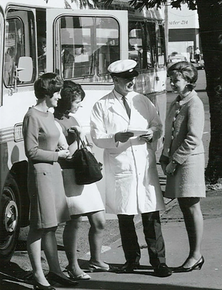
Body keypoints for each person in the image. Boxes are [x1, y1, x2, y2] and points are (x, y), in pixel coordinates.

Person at [89, 58, 172, 277]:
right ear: (115, 80)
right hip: (122, 164)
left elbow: (157, 124)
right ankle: (131, 260)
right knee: (125, 216)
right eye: (126, 79)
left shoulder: (142, 101)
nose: (131, 83)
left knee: (151, 214)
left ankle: (159, 262)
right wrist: (116, 136)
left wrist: (152, 134)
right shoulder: (102, 105)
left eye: (133, 78)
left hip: (143, 162)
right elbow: (97, 136)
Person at [23, 72, 78, 290]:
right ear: (47, 94)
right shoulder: (32, 116)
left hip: (53, 173)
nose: (59, 97)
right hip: (41, 174)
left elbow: (50, 142)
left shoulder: (48, 115)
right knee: (39, 226)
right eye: (56, 93)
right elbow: (31, 151)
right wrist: (58, 155)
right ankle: (38, 274)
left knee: (51, 225)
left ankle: (54, 270)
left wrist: (61, 149)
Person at [54, 80, 109, 280]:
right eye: (76, 102)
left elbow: (83, 147)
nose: (78, 106)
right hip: (69, 173)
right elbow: (64, 153)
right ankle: (73, 265)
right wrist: (78, 138)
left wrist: (82, 140)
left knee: (99, 220)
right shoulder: (55, 122)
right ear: (66, 101)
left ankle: (96, 258)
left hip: (83, 173)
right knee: (75, 221)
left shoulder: (73, 120)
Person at [160, 60, 210, 272]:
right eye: (171, 79)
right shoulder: (177, 101)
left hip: (189, 161)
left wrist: (174, 161)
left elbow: (193, 138)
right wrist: (164, 156)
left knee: (191, 205)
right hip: (176, 161)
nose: (172, 83)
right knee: (185, 206)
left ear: (189, 82)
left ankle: (195, 254)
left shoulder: (194, 103)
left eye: (176, 80)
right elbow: (169, 134)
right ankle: (194, 254)